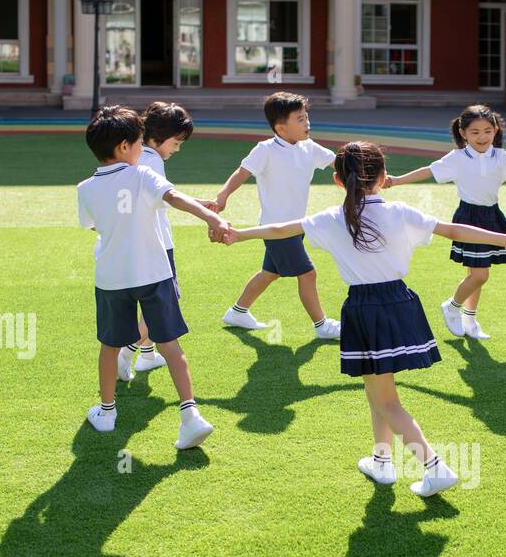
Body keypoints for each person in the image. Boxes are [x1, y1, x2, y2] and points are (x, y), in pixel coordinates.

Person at [213, 140, 506, 497]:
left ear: (336, 180)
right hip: (401, 303)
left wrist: (239, 234)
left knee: (386, 399)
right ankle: (382, 461)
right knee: (379, 389)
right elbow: (454, 230)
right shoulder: (399, 211)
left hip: (366, 308)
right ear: (382, 177)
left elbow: (282, 229)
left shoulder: (331, 218)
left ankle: (434, 466)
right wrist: (504, 239)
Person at [77, 105, 226, 449]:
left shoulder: (85, 188)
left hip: (112, 278)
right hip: (155, 272)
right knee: (170, 345)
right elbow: (172, 197)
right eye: (140, 142)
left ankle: (107, 411)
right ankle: (190, 416)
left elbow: (93, 225)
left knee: (110, 345)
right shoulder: (144, 175)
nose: (144, 149)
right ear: (124, 146)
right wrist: (211, 218)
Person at [386, 103, 506, 341]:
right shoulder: (457, 158)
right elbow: (428, 171)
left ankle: (470, 320)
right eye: (474, 132)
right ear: (463, 133)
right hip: (468, 217)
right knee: (480, 275)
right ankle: (452, 306)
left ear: (495, 130)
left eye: (487, 130)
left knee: (478, 273)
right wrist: (397, 180)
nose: (482, 137)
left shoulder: (501, 157)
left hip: (493, 216)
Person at [212, 92, 340, 340]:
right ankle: (321, 325)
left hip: (295, 226)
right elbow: (241, 173)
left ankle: (237, 312)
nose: (307, 123)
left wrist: (369, 171)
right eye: (300, 119)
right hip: (276, 228)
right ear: (281, 128)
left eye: (307, 117)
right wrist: (222, 196)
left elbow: (339, 163)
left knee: (270, 273)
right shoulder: (265, 150)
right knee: (308, 273)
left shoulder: (309, 147)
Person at [117, 100, 195, 382]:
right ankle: (125, 353)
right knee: (164, 301)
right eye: (176, 141)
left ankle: (148, 355)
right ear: (158, 137)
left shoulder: (139, 157)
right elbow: (165, 199)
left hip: (140, 242)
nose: (177, 148)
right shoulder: (153, 161)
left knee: (150, 300)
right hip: (158, 243)